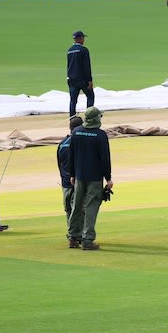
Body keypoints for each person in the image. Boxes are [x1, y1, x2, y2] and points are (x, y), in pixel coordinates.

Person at [66, 106, 112, 250]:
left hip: (79, 176)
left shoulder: (76, 132)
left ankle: (73, 237)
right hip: (95, 177)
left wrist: (72, 174)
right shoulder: (100, 135)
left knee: (77, 206)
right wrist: (108, 178)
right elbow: (105, 159)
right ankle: (87, 239)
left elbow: (71, 155)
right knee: (91, 207)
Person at [57, 113, 82, 225]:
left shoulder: (62, 144)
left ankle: (71, 232)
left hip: (66, 182)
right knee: (79, 210)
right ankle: (79, 232)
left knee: (68, 209)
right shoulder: (81, 143)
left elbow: (59, 164)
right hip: (79, 181)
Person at [67, 30, 95, 117]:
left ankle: (72, 119)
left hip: (71, 78)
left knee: (73, 100)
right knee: (90, 96)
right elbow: (86, 66)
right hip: (82, 79)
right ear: (80, 38)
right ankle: (89, 117)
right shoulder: (83, 50)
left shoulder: (69, 50)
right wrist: (89, 80)